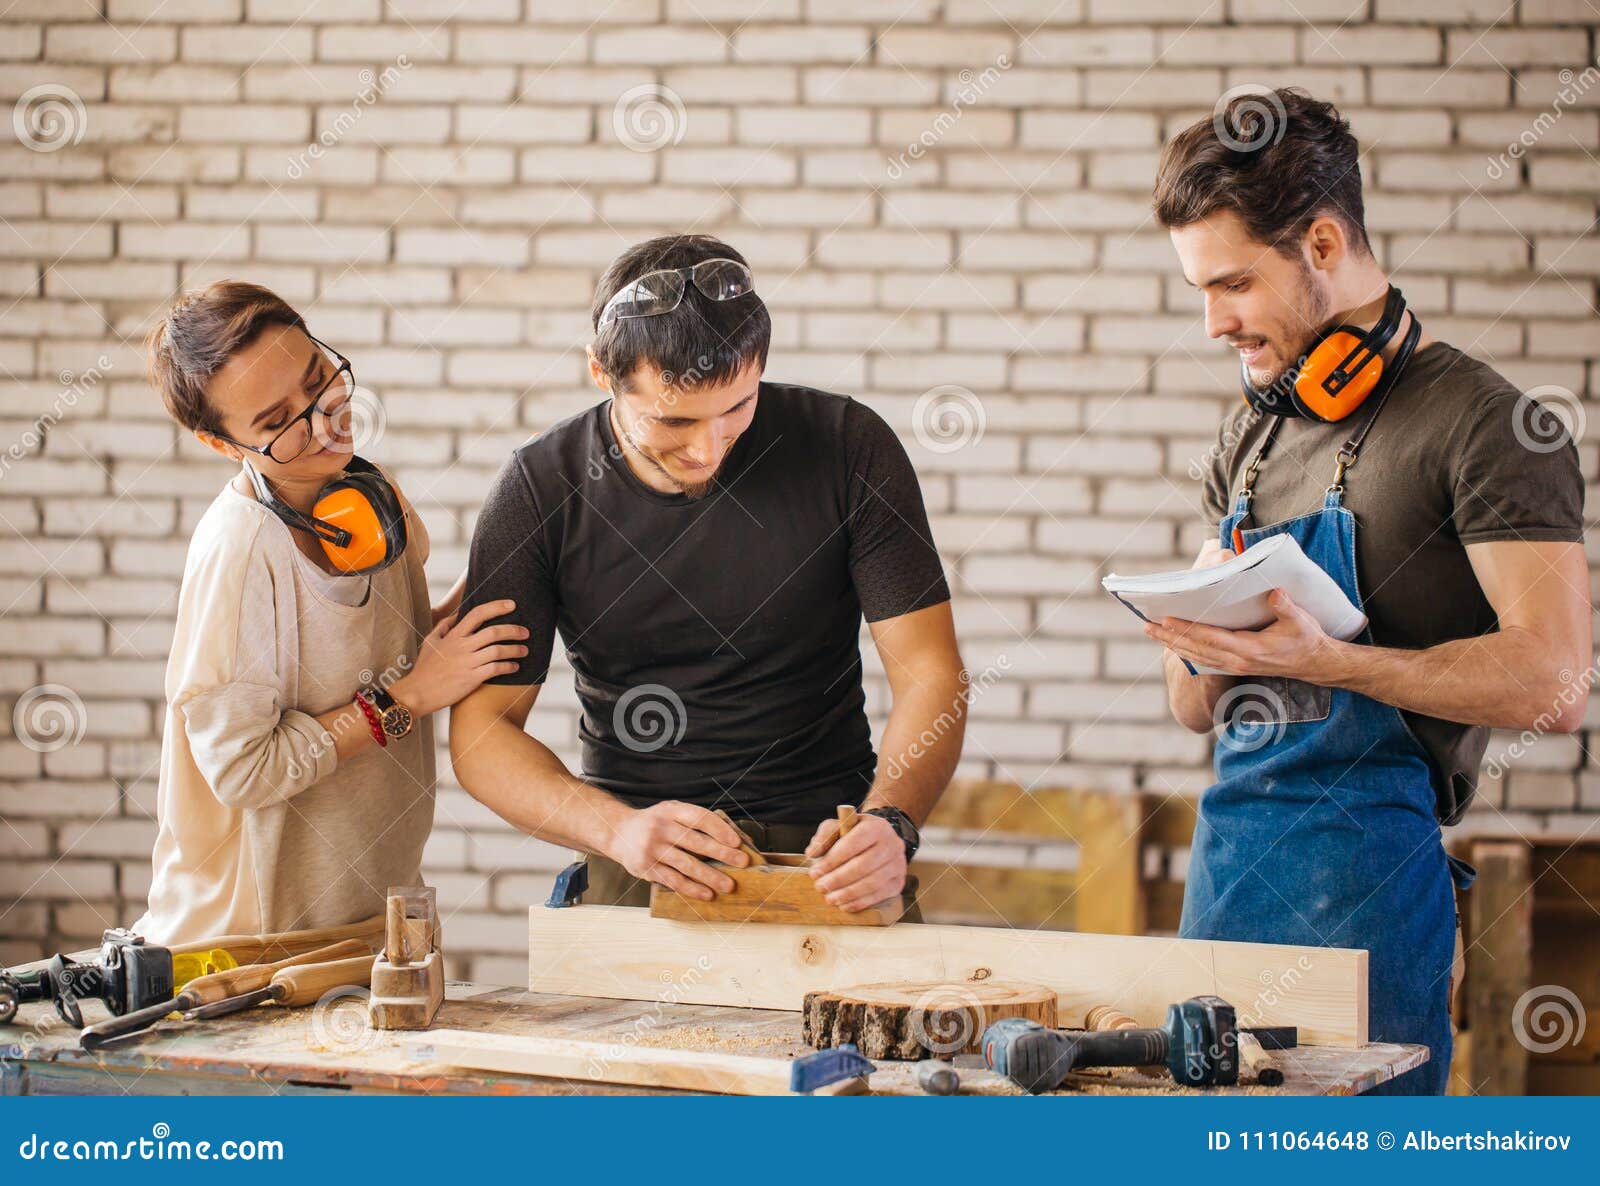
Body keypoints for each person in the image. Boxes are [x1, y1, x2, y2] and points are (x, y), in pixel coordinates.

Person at [1145, 89, 1590, 1093]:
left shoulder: (1487, 426)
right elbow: (1188, 711)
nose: (1213, 323)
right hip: (1225, 882)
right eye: (1197, 291)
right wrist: (1193, 630)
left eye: (1232, 285)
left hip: (1367, 897)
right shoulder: (1249, 437)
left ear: (1322, 239)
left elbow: (1556, 686)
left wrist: (1327, 661)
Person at [449, 234, 967, 913]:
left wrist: (891, 823)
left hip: (832, 859)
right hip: (640, 866)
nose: (708, 449)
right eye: (674, 421)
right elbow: (482, 731)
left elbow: (931, 673)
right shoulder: (540, 489)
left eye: (737, 409)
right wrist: (618, 830)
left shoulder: (847, 446)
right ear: (601, 374)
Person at [134, 280, 525, 943]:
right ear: (222, 444)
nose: (324, 425)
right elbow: (244, 769)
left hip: (368, 918)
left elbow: (381, 651)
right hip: (250, 946)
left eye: (322, 382)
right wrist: (409, 697)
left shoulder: (367, 494)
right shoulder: (239, 552)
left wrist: (500, 577)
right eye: (279, 423)